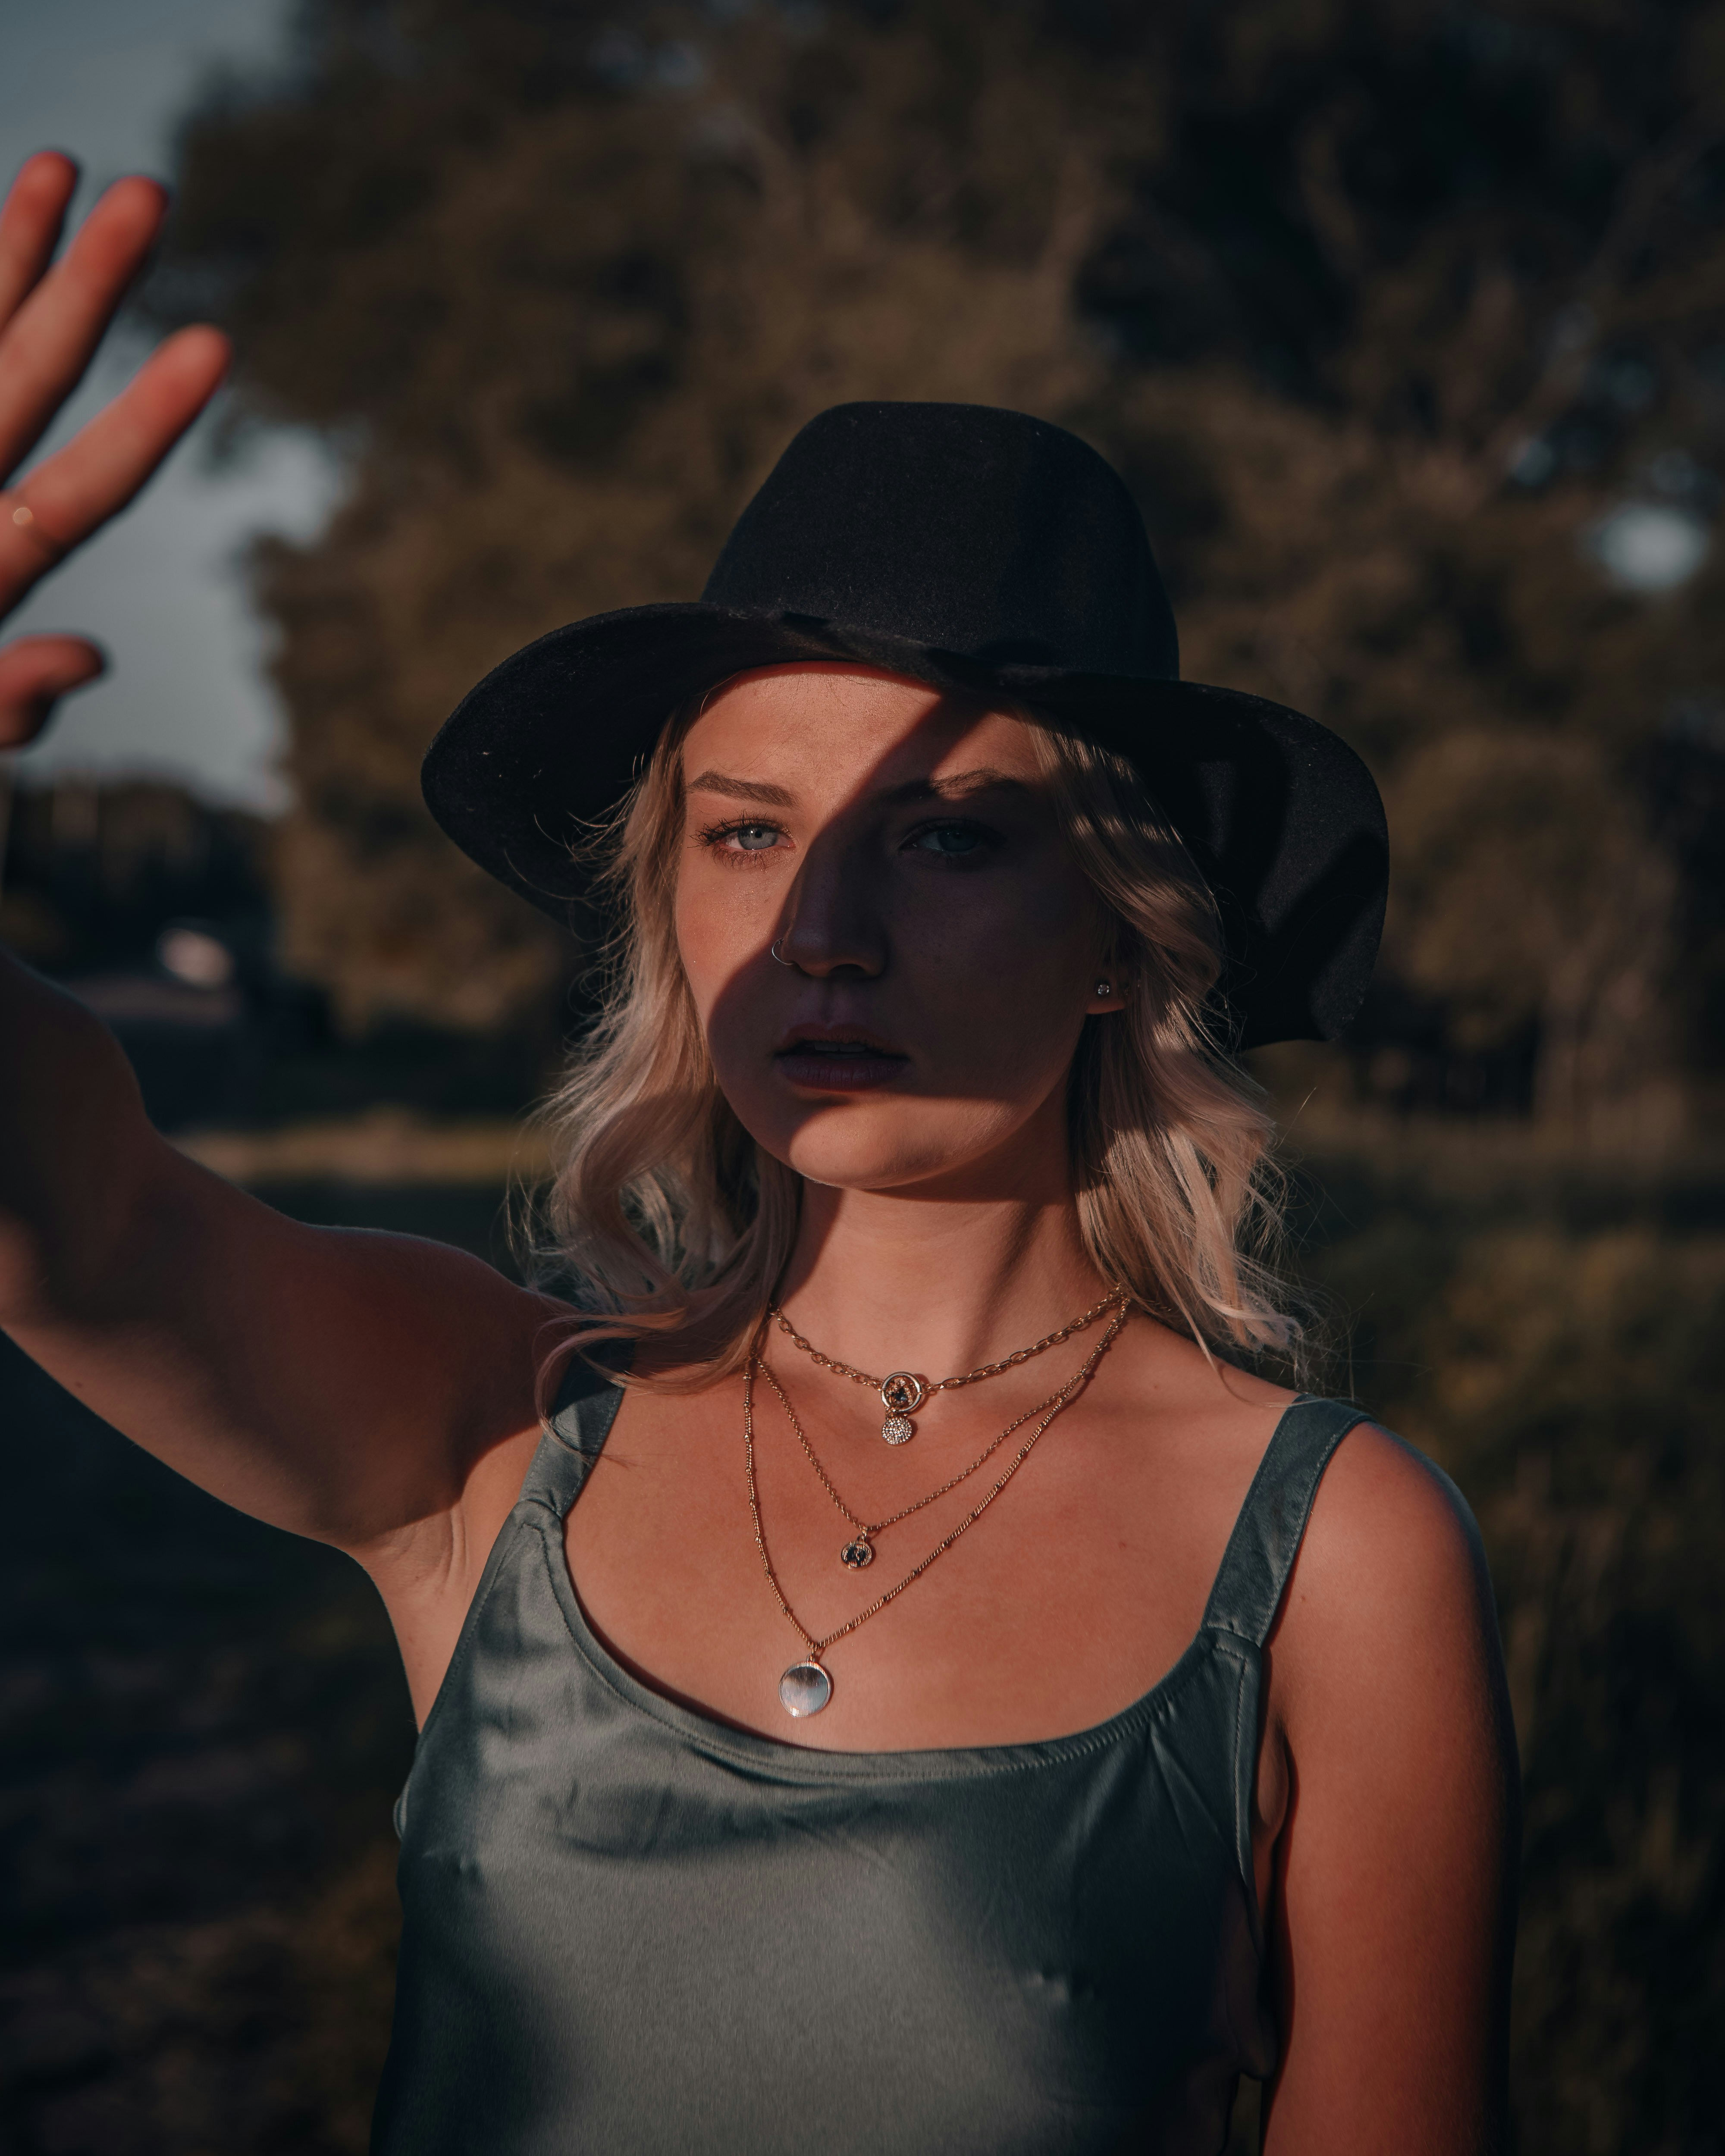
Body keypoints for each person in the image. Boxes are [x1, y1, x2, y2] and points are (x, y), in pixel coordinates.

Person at [0, 154, 1518, 2154]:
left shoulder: (1336, 1554)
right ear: (677, 910)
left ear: (1118, 935)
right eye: (745, 829)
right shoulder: (489, 1425)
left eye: (952, 831)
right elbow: (72, 1218)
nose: (823, 923)